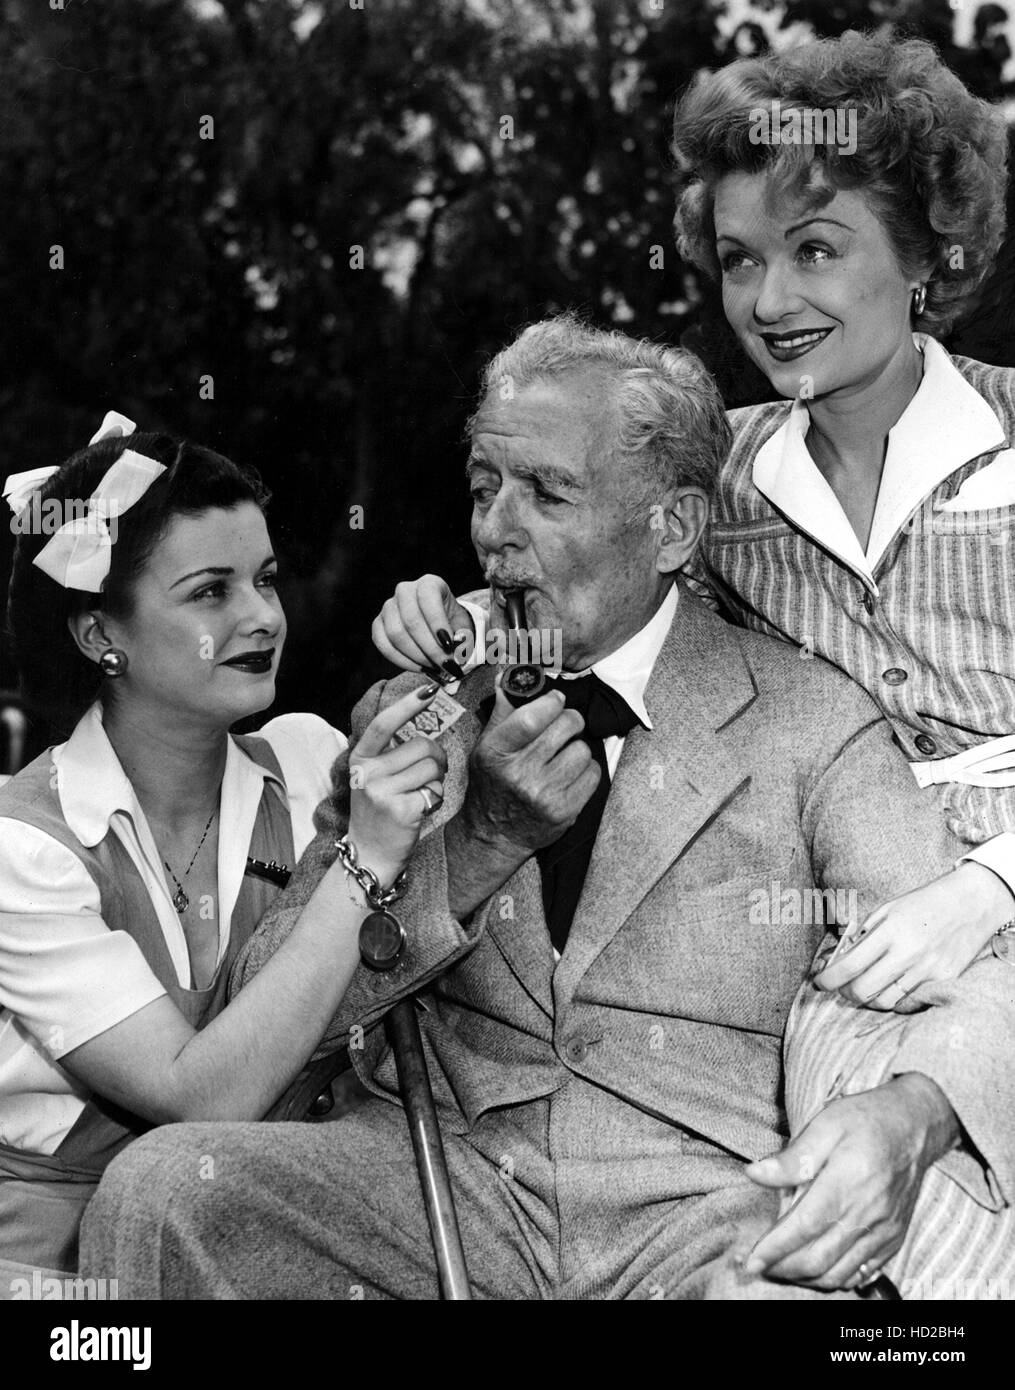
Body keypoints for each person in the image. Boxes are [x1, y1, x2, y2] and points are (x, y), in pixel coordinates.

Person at [80, 327, 1015, 1300]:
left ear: (672, 529)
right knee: (162, 1193)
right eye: (486, 488)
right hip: (437, 1186)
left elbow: (975, 966)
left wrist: (918, 1109)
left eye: (547, 494)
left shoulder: (809, 723)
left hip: (702, 1215)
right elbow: (265, 1022)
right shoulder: (423, 704)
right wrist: (475, 842)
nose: (494, 532)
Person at [0, 411, 456, 1284]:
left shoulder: (309, 761)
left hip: (264, 1243)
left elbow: (481, 780)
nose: (261, 616)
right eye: (211, 590)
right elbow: (202, 1097)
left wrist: (459, 624)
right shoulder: (23, 850)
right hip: (59, 1282)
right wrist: (360, 862)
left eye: (267, 579)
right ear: (102, 636)